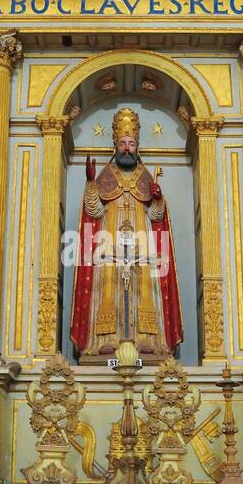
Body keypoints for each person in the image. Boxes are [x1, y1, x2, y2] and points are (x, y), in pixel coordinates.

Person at [70, 107, 182, 359]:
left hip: (142, 245)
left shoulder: (146, 176)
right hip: (109, 244)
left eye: (131, 143)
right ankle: (105, 340)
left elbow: (156, 217)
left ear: (137, 145)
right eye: (123, 143)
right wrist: (90, 183)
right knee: (107, 286)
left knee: (144, 286)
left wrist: (158, 199)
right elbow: (94, 210)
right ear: (115, 144)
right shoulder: (105, 176)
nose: (127, 148)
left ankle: (148, 340)